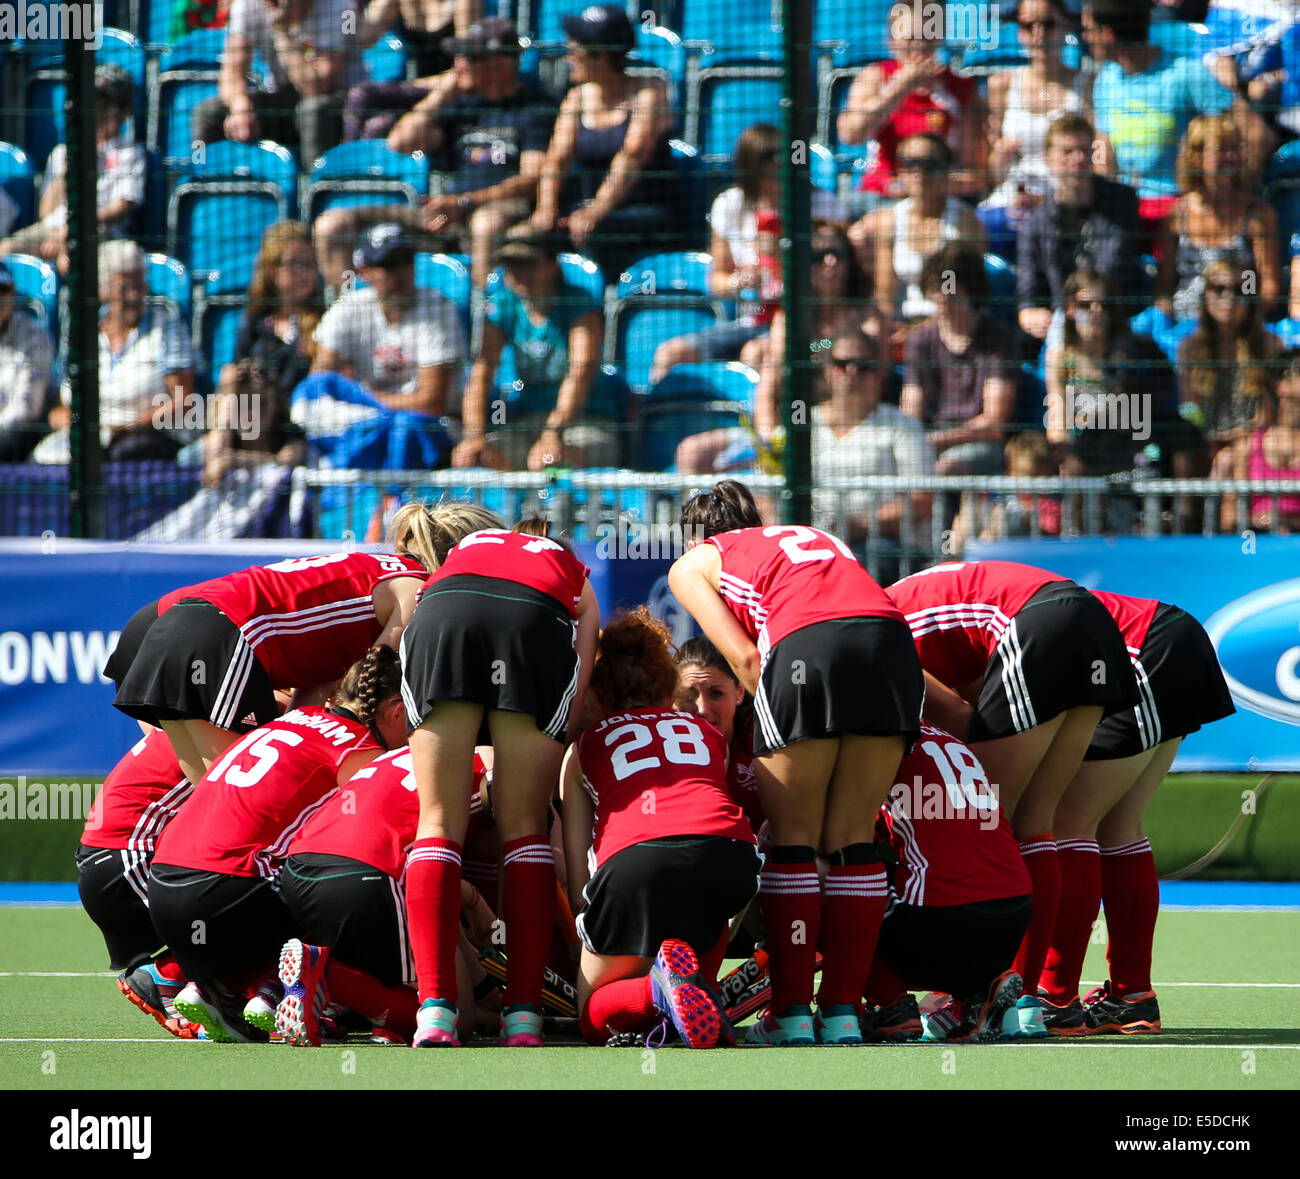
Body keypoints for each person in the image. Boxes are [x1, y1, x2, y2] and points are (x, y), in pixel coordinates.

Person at [668, 481, 924, 1046]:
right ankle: (841, 1017)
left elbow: (747, 657)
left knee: (794, 843)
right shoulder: (814, 535)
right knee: (852, 840)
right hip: (890, 645)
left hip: (807, 650)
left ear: (693, 536)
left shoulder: (693, 563)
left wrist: (782, 728)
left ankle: (790, 1014)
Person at [886, 559, 1139, 1035]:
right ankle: (1028, 1000)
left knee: (987, 821)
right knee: (1036, 822)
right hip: (1088, 619)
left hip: (1036, 623)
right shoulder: (881, 608)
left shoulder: (869, 631)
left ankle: (987, 988)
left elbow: (958, 718)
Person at [401, 517, 599, 1048]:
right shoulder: (571, 570)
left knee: (438, 822)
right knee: (525, 828)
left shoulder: (462, 553)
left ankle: (435, 1011)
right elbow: (579, 671)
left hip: (443, 614)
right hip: (531, 624)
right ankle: (525, 1017)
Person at [104, 500, 466, 786]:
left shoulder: (373, 566)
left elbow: (317, 689)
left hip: (169, 626)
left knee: (210, 795)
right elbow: (373, 682)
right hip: (217, 635)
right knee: (242, 795)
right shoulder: (416, 590)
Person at [148, 647, 408, 1042]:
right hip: (230, 895)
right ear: (396, 713)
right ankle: (272, 991)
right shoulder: (362, 753)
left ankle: (213, 986)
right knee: (338, 881)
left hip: (164, 886)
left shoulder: (294, 718)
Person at [560, 609, 760, 1048]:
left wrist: (594, 938)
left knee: (593, 1016)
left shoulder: (581, 749)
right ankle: (699, 989)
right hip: (732, 857)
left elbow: (579, 873)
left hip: (636, 864)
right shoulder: (707, 734)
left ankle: (657, 990)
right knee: (703, 897)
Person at [1040, 590, 1234, 1034]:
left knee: (1069, 824)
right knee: (1117, 828)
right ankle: (1131, 997)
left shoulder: (904, 624)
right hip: (1161, 637)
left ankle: (1055, 997)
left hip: (1138, 648)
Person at [273, 746, 497, 1046]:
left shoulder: (411, 749)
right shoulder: (491, 765)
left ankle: (296, 979)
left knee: (435, 917)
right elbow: (432, 873)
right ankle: (329, 978)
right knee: (457, 1020)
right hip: (367, 871)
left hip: (300, 868)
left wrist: (487, 991)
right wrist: (474, 899)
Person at [318, 17, 554, 289]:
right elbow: (400, 142)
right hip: (443, 213)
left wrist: (464, 202)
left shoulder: (536, 108)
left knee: (486, 225)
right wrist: (445, 91)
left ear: (498, 64)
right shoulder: (464, 104)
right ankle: (347, 316)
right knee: (333, 225)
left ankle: (484, 321)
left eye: (469, 58)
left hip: (496, 210)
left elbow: (531, 180)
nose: (458, 65)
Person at [866, 723, 1034, 1043]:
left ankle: (891, 1006)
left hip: (944, 920)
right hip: (1013, 918)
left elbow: (849, 842)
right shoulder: (950, 740)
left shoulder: (880, 738)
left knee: (839, 881)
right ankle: (979, 993)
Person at [649, 123, 847, 384]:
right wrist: (740, 281)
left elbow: (844, 283)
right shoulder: (731, 205)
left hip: (816, 337)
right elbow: (716, 280)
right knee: (669, 354)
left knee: (756, 354)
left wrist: (786, 257)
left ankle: (766, 424)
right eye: (767, 176)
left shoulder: (824, 207)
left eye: (781, 172)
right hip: (751, 323)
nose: (775, 184)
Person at [524, 4, 678, 281]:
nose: (569, 57)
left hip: (642, 211)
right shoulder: (577, 97)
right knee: (530, 238)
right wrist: (546, 209)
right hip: (585, 210)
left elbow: (631, 157)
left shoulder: (650, 91)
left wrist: (594, 212)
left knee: (594, 234)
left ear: (602, 56)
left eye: (576, 50)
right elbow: (557, 159)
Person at [1082, 0, 1273, 224]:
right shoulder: (1106, 80)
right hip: (1126, 214)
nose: (1084, 38)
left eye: (1088, 30)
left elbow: (1259, 135)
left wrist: (1234, 194)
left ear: (1108, 35)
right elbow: (1102, 152)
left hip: (1180, 216)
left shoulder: (1185, 73)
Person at [451, 230, 622, 471]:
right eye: (512, 266)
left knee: (550, 462)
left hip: (586, 422)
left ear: (551, 265)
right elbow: (482, 371)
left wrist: (553, 432)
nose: (518, 273)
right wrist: (474, 436)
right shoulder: (502, 304)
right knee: (479, 457)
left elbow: (581, 372)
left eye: (527, 264)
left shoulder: (580, 305)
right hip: (526, 422)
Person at [303, 224, 465, 467]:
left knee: (404, 427)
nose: (400, 272)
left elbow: (431, 403)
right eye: (388, 264)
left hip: (433, 431)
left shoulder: (437, 308)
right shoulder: (350, 308)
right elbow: (320, 384)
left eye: (406, 260)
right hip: (372, 425)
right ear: (364, 271)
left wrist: (360, 398)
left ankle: (391, 501)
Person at [77, 728, 198, 1039]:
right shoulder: (241, 720)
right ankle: (165, 976)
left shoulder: (197, 715)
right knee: (259, 905)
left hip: (113, 860)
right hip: (123, 863)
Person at [36, 240, 196, 464]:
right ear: (103, 291)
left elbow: (184, 401)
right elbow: (60, 407)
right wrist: (73, 424)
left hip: (147, 436)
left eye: (139, 285)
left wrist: (127, 428)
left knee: (120, 453)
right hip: (89, 437)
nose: (134, 296)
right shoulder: (82, 330)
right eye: (124, 288)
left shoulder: (166, 324)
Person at [201, 221, 319, 488]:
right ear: (272, 270)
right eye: (294, 264)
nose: (305, 273)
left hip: (293, 428)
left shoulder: (321, 324)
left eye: (309, 264)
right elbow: (236, 376)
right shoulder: (255, 324)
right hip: (249, 422)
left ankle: (234, 461)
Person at [0, 65, 144, 271]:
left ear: (124, 112)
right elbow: (46, 212)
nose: (99, 111)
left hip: (101, 233)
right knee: (4, 250)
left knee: (69, 262)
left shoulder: (131, 153)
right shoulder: (63, 151)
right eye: (94, 102)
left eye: (107, 104)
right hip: (51, 230)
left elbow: (122, 208)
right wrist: (68, 172)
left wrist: (73, 228)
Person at [1016, 114, 1144, 344]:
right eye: (1068, 152)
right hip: (1062, 321)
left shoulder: (1121, 202)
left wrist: (1080, 310)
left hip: (1113, 316)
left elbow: (1112, 268)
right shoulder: (1036, 222)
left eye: (1085, 150)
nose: (1078, 158)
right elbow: (1028, 288)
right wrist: (1029, 312)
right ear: (1048, 158)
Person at [810, 328, 935, 563]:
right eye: (841, 364)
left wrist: (859, 526)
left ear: (879, 374)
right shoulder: (804, 425)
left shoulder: (903, 427)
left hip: (883, 545)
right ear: (827, 370)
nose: (852, 372)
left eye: (863, 365)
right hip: (811, 539)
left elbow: (921, 501)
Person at [980, 0, 1092, 258]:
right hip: (1011, 205)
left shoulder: (1087, 83)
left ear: (1065, 26)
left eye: (1048, 24)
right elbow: (992, 173)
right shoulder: (1001, 85)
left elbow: (1095, 158)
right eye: (1029, 25)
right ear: (1019, 32)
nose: (1039, 33)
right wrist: (1001, 155)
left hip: (1067, 204)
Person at [837, 10, 987, 202]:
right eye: (911, 38)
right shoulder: (875, 76)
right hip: (883, 195)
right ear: (892, 41)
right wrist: (900, 87)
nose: (919, 45)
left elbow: (975, 174)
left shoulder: (961, 89)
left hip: (940, 199)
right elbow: (851, 134)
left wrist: (922, 185)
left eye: (927, 36)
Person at [192, 0, 364, 167]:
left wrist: (282, 32)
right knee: (210, 112)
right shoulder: (247, 4)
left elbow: (317, 87)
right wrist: (240, 107)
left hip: (339, 104)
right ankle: (206, 186)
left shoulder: (339, 5)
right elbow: (232, 71)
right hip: (285, 101)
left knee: (312, 110)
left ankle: (316, 190)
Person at [901, 244, 1019, 476]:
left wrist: (935, 441)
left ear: (971, 287)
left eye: (952, 286)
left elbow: (994, 423)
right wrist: (913, 442)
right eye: (937, 286)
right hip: (929, 441)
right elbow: (910, 408)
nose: (944, 295)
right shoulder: (918, 340)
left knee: (946, 468)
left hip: (980, 444)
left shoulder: (999, 338)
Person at [855, 134, 985, 338]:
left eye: (929, 164)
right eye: (910, 164)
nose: (919, 172)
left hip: (952, 322)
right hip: (903, 323)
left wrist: (922, 332)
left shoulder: (965, 222)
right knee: (861, 334)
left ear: (946, 169)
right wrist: (891, 330)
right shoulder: (889, 221)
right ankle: (816, 351)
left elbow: (969, 291)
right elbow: (885, 297)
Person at [1155, 115, 1282, 323]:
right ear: (1197, 157)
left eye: (1235, 149)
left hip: (1239, 321)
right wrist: (1163, 310)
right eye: (1221, 150)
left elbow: (1268, 285)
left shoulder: (1257, 214)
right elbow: (1165, 284)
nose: (1230, 157)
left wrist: (1245, 309)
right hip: (1185, 324)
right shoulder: (1177, 215)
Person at [1177, 258, 1285, 458]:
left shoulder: (1269, 345)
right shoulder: (1189, 348)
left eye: (1238, 290)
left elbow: (1269, 414)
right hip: (1204, 444)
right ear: (1206, 296)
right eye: (1219, 289)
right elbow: (1190, 410)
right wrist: (1213, 442)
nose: (1229, 297)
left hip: (1254, 443)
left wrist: (1234, 443)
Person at [343, 0, 481, 139]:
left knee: (372, 114)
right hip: (416, 91)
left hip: (453, 94)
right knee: (370, 113)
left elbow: (465, 71)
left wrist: (421, 113)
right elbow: (363, 38)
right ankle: (347, 156)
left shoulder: (464, 3)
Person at [673, 636, 760, 836]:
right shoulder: (656, 749)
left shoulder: (764, 736)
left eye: (716, 694)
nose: (702, 708)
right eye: (689, 695)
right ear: (672, 698)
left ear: (739, 692)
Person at [1219, 350, 1300, 534]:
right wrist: (1254, 524)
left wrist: (1287, 522)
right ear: (1280, 386)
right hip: (1256, 542)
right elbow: (1229, 513)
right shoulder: (1247, 445)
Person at [0, 261, 55, 462]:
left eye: (2, 291)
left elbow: (26, 409)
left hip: (18, 434)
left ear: (12, 294)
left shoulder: (34, 336)